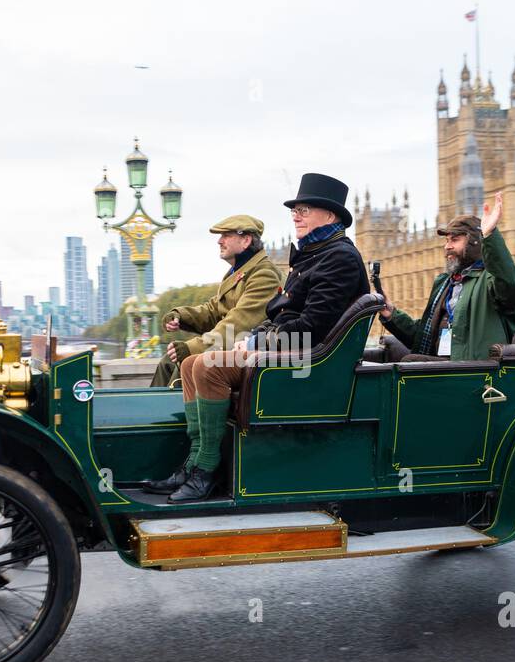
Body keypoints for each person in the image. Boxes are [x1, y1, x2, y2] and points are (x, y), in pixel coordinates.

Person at [147, 173, 369, 503]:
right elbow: (281, 315)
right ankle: (195, 462)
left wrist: (254, 343)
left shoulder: (338, 258)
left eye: (304, 209)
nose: (296, 215)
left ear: (331, 215)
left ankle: (208, 469)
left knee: (208, 366)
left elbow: (310, 329)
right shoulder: (314, 255)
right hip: (289, 351)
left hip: (309, 361)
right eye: (296, 210)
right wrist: (254, 336)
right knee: (193, 363)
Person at [377, 192, 515, 361]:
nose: (447, 246)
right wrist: (390, 313)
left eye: (454, 240)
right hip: (446, 365)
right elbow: (422, 336)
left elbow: (513, 285)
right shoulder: (445, 282)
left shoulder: (489, 280)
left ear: (474, 242)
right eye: (447, 241)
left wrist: (489, 235)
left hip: (473, 368)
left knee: (410, 364)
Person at [150, 215, 282, 387]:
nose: (219, 241)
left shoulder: (264, 275)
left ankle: (169, 413)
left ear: (246, 240)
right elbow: (213, 310)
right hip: (237, 352)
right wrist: (181, 316)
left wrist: (192, 348)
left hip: (253, 355)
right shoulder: (240, 272)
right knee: (169, 362)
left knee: (182, 365)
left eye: (226, 235)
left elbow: (237, 325)